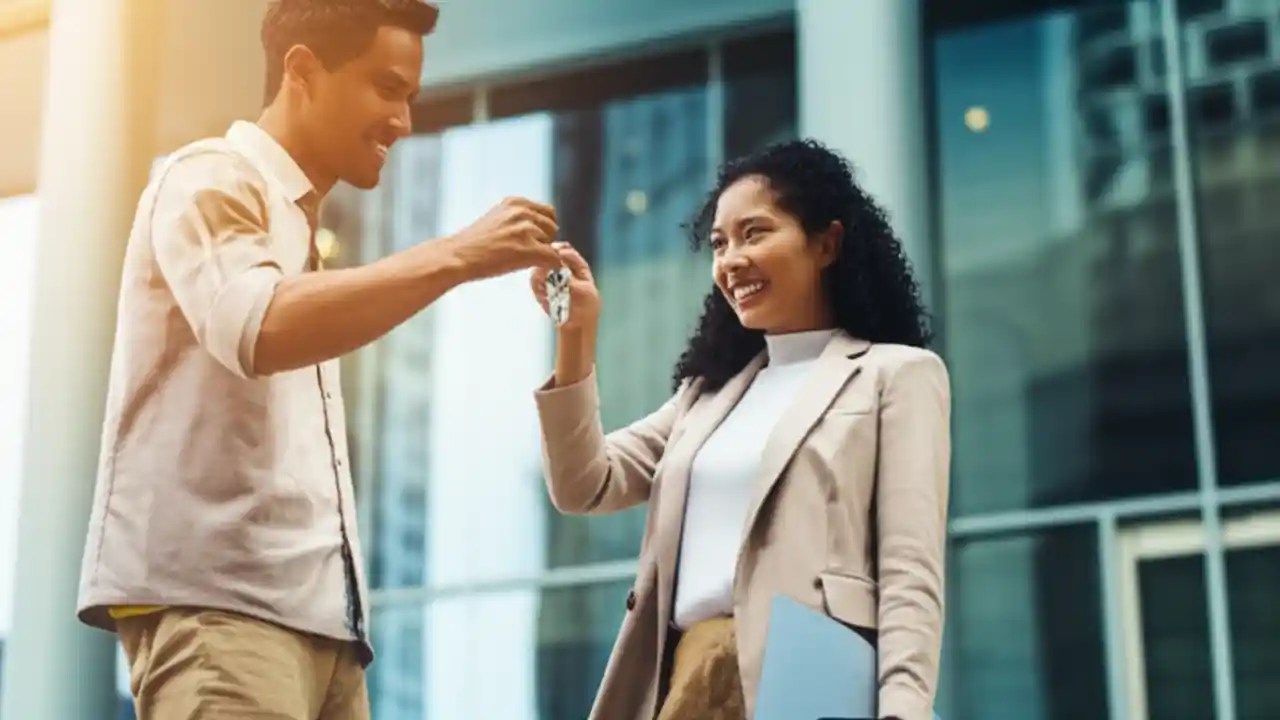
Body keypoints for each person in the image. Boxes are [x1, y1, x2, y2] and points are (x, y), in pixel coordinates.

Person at [76, 1, 561, 718]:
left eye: (410, 98)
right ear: (302, 70)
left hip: (325, 633)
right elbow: (259, 326)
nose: (403, 122)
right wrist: (459, 254)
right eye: (387, 89)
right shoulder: (210, 176)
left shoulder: (300, 230)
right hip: (223, 614)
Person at [530, 139, 949, 720]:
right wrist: (575, 337)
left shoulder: (895, 375)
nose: (730, 260)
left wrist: (903, 709)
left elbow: (909, 571)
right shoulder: (706, 398)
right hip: (688, 679)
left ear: (827, 242)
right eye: (720, 243)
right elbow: (584, 483)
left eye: (755, 233)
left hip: (809, 684)